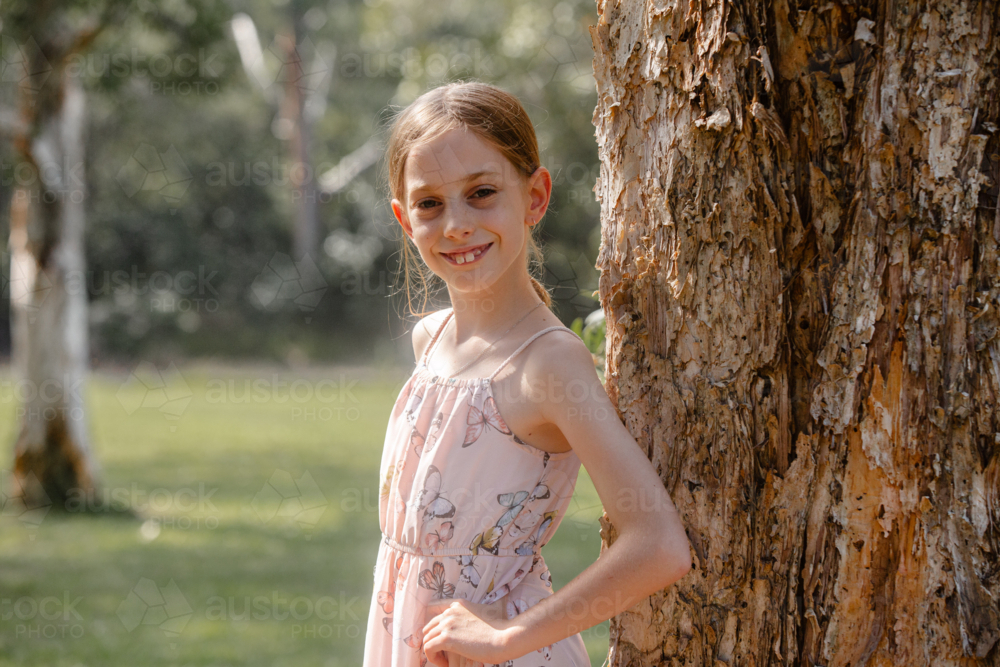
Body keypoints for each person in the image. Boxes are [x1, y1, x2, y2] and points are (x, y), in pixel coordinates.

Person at [363, 80, 692, 667]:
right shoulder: (430, 338)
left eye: (482, 192)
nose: (456, 224)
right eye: (429, 204)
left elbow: (660, 544)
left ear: (535, 197)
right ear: (404, 220)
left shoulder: (547, 363)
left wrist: (507, 637)